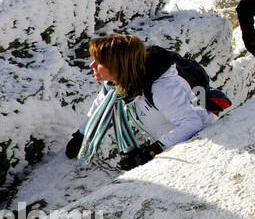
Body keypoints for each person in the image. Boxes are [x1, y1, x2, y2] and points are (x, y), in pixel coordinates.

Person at [65, 33, 216, 169]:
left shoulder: (162, 88)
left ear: (117, 64)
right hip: (174, 144)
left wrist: (151, 152)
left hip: (204, 144)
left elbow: (192, 124)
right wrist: (82, 135)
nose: (92, 65)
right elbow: (101, 103)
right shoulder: (115, 85)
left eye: (98, 61)